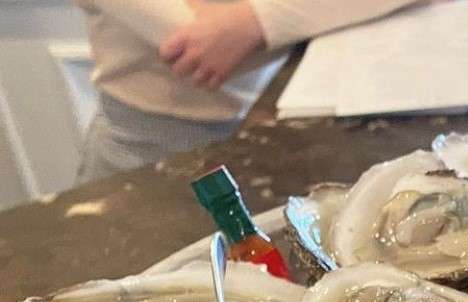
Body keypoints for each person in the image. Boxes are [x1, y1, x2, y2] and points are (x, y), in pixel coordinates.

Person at [75, 0, 429, 182]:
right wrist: (261, 23)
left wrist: (255, 20)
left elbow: (233, 35)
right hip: (150, 153)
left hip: (266, 132)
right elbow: (199, 47)